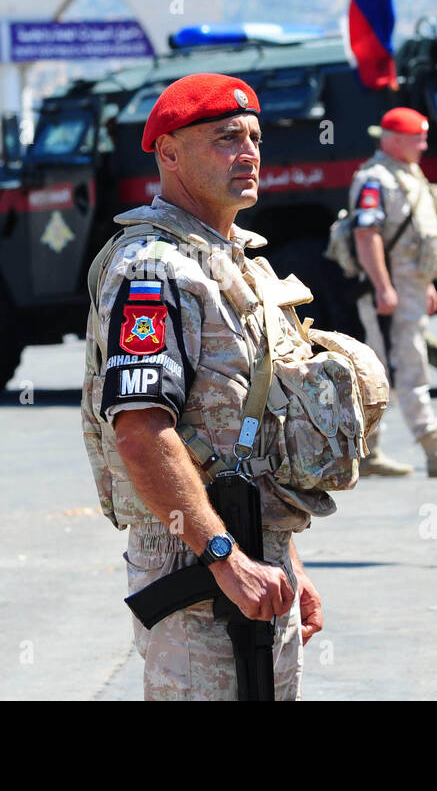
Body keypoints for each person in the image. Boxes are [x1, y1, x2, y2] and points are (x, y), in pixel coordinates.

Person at [83, 73, 357, 701]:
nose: (249, 153)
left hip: (253, 549)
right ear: (168, 153)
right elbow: (140, 429)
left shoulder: (237, 263)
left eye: (255, 138)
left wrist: (286, 559)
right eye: (225, 138)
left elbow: (253, 428)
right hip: (193, 555)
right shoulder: (154, 269)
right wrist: (225, 557)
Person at [346, 106, 437, 478]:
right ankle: (432, 450)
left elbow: (417, 237)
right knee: (406, 368)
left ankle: (371, 454)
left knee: (396, 368)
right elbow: (366, 235)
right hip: (390, 294)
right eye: (418, 137)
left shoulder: (407, 174)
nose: (424, 144)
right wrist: (383, 287)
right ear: (394, 140)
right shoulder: (374, 179)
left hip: (409, 288)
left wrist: (428, 284)